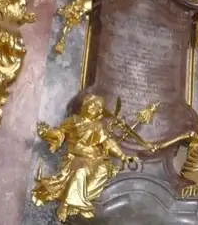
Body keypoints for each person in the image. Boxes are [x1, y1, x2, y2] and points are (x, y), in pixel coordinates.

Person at [32, 94, 138, 222]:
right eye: (92, 104)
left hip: (93, 160)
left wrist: (123, 156)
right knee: (80, 171)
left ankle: (72, 204)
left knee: (95, 171)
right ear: (85, 105)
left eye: (98, 107)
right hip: (75, 158)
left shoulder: (98, 127)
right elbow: (60, 132)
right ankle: (67, 205)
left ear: (99, 112)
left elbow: (108, 143)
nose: (93, 107)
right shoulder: (73, 120)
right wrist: (47, 133)